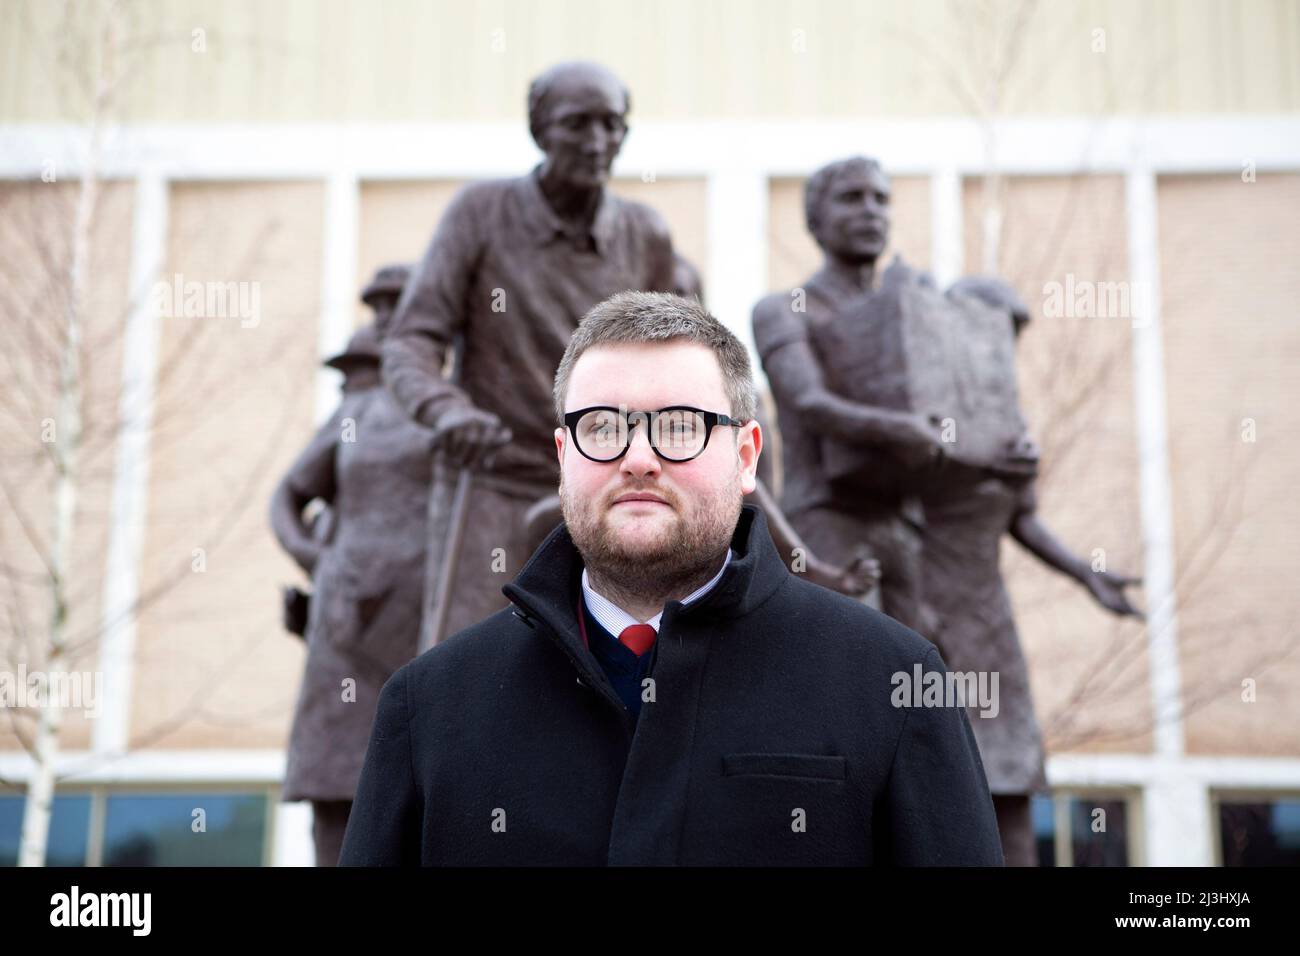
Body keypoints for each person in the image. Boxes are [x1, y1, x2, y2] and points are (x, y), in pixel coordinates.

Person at [339, 291, 1004, 866]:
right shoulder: (427, 707)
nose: (637, 458)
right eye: (602, 427)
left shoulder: (894, 681)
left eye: (680, 426)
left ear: (746, 457)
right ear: (564, 457)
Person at [381, 60, 680, 643]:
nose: (597, 143)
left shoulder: (646, 235)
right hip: (494, 477)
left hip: (608, 478)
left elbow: (679, 363)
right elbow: (412, 340)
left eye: (611, 125)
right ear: (540, 131)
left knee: (619, 659)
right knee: (473, 664)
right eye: (577, 125)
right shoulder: (480, 214)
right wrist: (447, 411)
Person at [270, 264, 435, 866]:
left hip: (425, 617)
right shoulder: (357, 413)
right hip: (347, 617)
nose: (387, 318)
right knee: (337, 782)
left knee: (432, 780)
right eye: (379, 307)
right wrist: (319, 559)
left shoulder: (451, 401)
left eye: (399, 304)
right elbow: (288, 495)